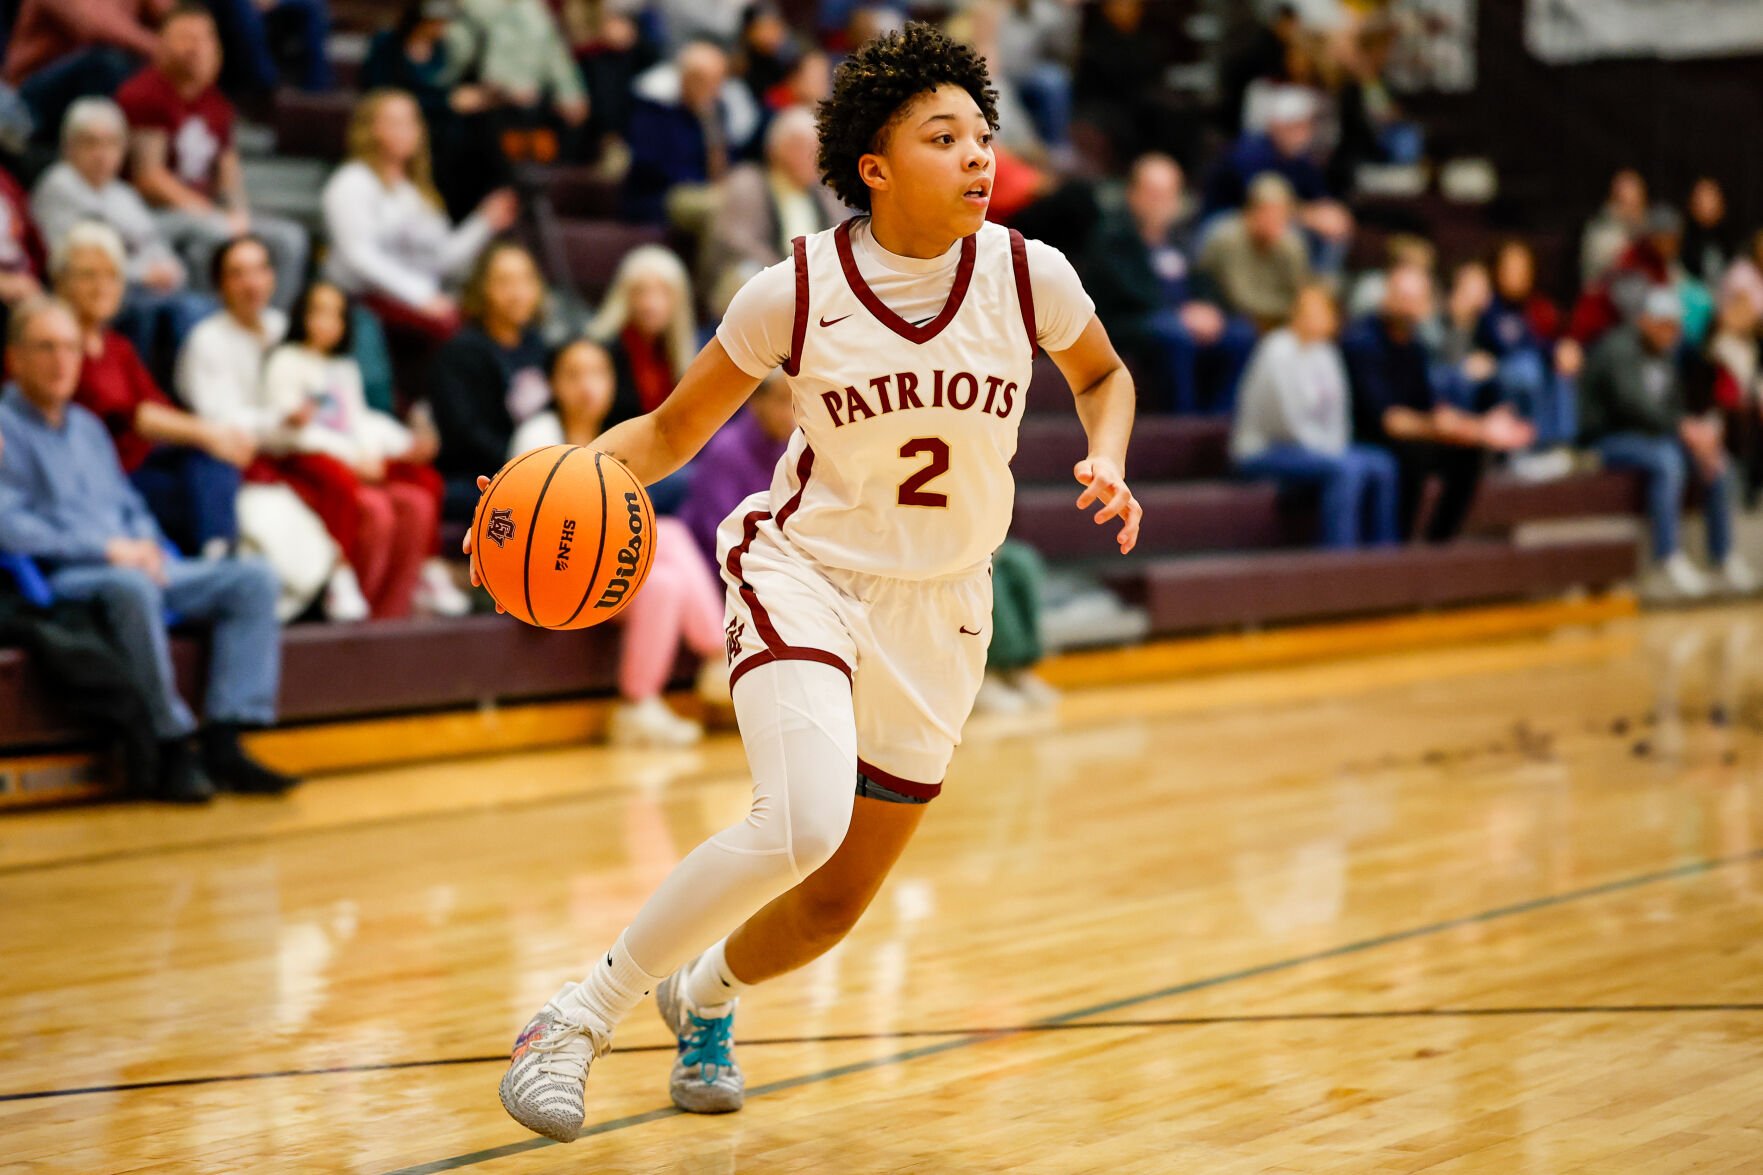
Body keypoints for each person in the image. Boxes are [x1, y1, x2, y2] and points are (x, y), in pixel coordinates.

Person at [478, 23, 1140, 1142]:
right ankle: (572, 1018)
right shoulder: (792, 288)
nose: (978, 156)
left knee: (832, 899)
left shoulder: (1030, 273)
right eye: (944, 138)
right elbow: (667, 434)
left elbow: (1102, 373)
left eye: (982, 134)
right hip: (807, 572)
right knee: (798, 819)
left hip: (943, 607)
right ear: (873, 167)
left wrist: (1106, 453)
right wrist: (531, 493)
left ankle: (705, 997)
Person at [0, 296, 296, 802]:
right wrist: (109, 549)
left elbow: (127, 500)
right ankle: (171, 740)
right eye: (45, 347)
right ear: (15, 358)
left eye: (70, 347)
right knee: (132, 587)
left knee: (254, 579)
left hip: (134, 560)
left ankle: (227, 735)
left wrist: (147, 543)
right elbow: (10, 525)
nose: (61, 360)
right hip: (65, 575)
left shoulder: (89, 428)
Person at [510, 338, 729, 745]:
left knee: (664, 583)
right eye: (573, 375)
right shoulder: (538, 434)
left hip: (596, 572)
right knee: (671, 534)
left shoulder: (623, 434)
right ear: (553, 385)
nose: (586, 386)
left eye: (597, 373)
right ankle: (718, 654)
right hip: (549, 574)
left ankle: (636, 706)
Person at [178, 235, 372, 620]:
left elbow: (329, 394)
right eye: (237, 274)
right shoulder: (205, 341)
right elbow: (219, 420)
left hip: (294, 447)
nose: (251, 283)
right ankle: (325, 587)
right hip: (240, 463)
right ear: (220, 284)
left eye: (259, 270)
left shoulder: (284, 328)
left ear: (272, 277)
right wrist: (280, 420)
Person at [261, 280, 466, 618]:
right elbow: (284, 424)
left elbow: (358, 421)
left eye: (336, 314)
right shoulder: (285, 360)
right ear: (301, 316)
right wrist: (351, 456)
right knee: (340, 480)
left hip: (350, 454)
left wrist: (403, 444)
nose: (326, 322)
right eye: (318, 312)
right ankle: (338, 572)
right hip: (305, 455)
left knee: (425, 479)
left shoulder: (344, 368)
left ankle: (429, 567)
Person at [57, 221, 248, 558]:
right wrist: (210, 433)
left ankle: (220, 556)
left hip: (144, 465)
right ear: (61, 282)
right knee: (207, 456)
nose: (102, 286)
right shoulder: (56, 346)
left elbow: (156, 405)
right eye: (89, 275)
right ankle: (218, 561)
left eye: (112, 276)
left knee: (209, 461)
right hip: (99, 480)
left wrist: (214, 436)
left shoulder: (117, 347)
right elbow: (132, 416)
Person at [115, 4, 310, 312]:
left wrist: (238, 213)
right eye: (186, 38)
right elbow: (149, 178)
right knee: (214, 232)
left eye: (205, 38)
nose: (197, 48)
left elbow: (228, 170)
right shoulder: (145, 94)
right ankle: (210, 321)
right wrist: (211, 215)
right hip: (150, 216)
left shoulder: (215, 102)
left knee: (290, 238)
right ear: (161, 44)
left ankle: (272, 323)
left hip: (202, 212)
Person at [1579, 286, 1753, 598]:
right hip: (1607, 440)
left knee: (1716, 462)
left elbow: (1673, 407)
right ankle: (1667, 559)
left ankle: (1722, 556)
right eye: (1664, 325)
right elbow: (1630, 405)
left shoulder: (1666, 353)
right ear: (1645, 320)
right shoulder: (1617, 348)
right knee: (1667, 461)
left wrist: (1699, 435)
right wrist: (1683, 429)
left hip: (1655, 437)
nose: (1671, 332)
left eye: (1675, 325)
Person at [322, 89, 519, 361]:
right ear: (371, 129)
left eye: (412, 121)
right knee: (448, 327)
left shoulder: (415, 192)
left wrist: (484, 222)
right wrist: (420, 296)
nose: (408, 130)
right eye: (396, 122)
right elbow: (358, 256)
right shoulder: (351, 181)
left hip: (417, 294)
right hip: (359, 299)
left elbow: (443, 258)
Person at [1343, 264, 1534, 543]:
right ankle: (1397, 547)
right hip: (1367, 436)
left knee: (1469, 453)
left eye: (1414, 300)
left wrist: (1478, 429)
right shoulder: (1363, 341)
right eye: (1402, 298)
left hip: (1414, 433)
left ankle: (1440, 543)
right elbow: (1389, 421)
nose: (1408, 308)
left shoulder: (1414, 345)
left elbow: (1431, 408)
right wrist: (1444, 426)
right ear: (1388, 297)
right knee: (1414, 455)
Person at [32, 97, 212, 376]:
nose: (102, 154)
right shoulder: (59, 185)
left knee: (198, 305)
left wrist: (171, 269)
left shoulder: (122, 194)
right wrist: (143, 273)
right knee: (145, 310)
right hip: (95, 291)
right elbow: (66, 260)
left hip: (139, 287)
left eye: (111, 144)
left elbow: (154, 243)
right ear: (69, 147)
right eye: (91, 143)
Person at [1087, 153, 1254, 415]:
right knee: (1174, 334)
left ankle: (1220, 419)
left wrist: (1209, 310)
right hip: (1128, 322)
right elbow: (1127, 291)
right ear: (1133, 194)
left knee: (1240, 334)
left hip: (1179, 319)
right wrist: (1181, 314)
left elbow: (1203, 281)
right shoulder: (1112, 236)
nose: (1160, 203)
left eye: (1168, 194)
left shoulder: (1181, 238)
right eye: (1153, 193)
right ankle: (1182, 420)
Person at [1234, 283, 1396, 548]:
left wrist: (1335, 446)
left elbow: (1339, 413)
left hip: (1318, 449)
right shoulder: (1276, 349)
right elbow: (1285, 422)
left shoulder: (1327, 352)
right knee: (1346, 468)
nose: (1320, 316)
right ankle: (1339, 561)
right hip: (1264, 449)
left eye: (1325, 311)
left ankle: (1383, 558)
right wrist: (1330, 452)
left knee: (1383, 465)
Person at [430, 241, 552, 520]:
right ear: (482, 288)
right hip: (473, 478)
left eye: (526, 279)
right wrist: (521, 464)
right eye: (504, 281)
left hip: (530, 470)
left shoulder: (537, 346)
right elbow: (463, 433)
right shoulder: (459, 352)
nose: (518, 292)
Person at [361, 0, 510, 219]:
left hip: (439, 128)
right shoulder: (387, 45)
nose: (440, 27)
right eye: (435, 21)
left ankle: (481, 206)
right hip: (398, 121)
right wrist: (446, 103)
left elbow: (453, 89)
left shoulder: (443, 50)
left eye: (444, 22)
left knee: (480, 135)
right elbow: (379, 94)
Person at [700, 106, 848, 316]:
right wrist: (788, 274)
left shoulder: (825, 193)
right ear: (775, 148)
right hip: (766, 278)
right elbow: (736, 242)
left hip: (815, 282)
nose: (815, 156)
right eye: (802, 147)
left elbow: (844, 238)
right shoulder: (748, 183)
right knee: (745, 275)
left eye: (817, 147)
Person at [2, 0, 167, 146]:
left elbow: (175, 15)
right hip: (28, 92)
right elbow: (94, 25)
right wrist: (163, 49)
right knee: (109, 62)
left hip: (77, 87)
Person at [448, 0, 591, 163]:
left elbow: (552, 48)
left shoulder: (533, 10)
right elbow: (457, 52)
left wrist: (570, 92)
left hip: (531, 99)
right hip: (488, 98)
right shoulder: (476, 10)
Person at [675, 370, 793, 566]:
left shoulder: (794, 449)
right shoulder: (725, 451)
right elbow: (720, 534)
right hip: (711, 569)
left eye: (796, 401)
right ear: (756, 401)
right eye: (781, 400)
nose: (791, 413)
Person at [1197, 172, 1312, 330]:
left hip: (1273, 319)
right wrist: (1288, 310)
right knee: (1243, 331)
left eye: (1282, 213)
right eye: (1269, 212)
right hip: (1223, 313)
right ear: (1251, 211)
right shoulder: (1228, 238)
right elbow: (1240, 300)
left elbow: (1300, 294)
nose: (1276, 220)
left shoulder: (1290, 245)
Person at [1580, 167, 1647, 286]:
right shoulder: (1601, 231)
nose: (1630, 207)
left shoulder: (1650, 227)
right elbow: (1595, 274)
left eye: (1635, 198)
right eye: (1623, 200)